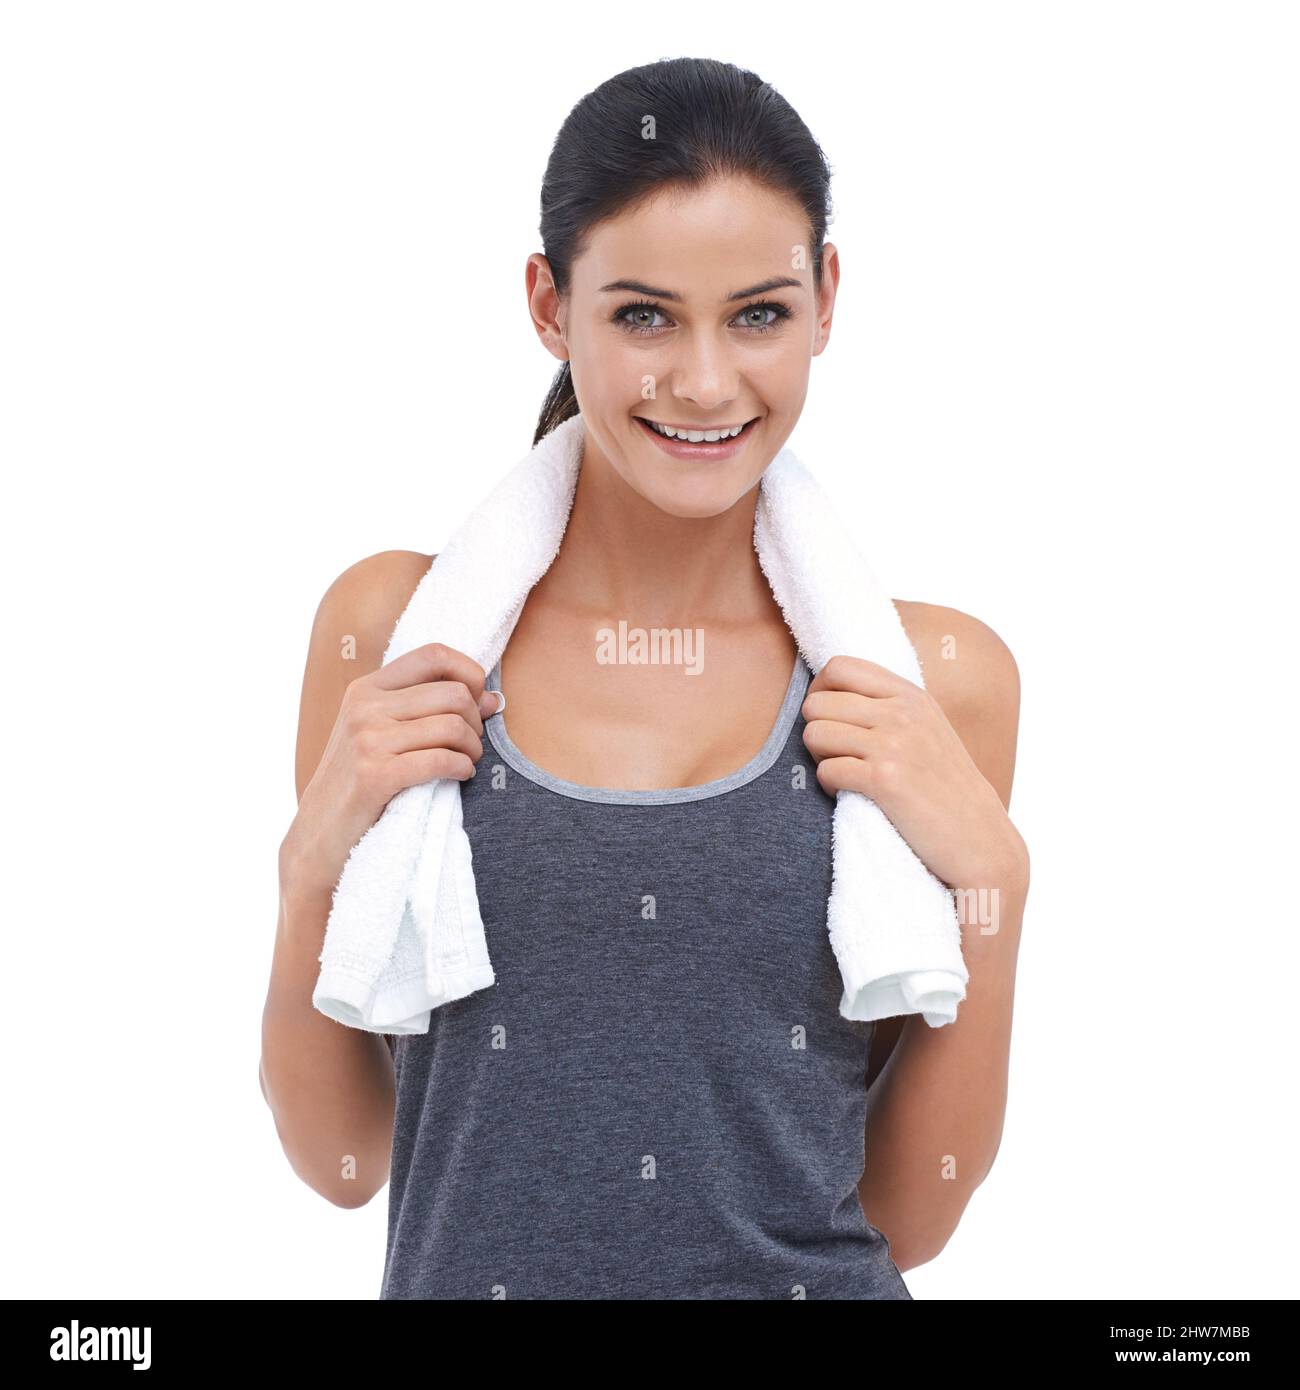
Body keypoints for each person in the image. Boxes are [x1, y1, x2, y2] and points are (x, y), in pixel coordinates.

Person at [260, 56, 1029, 1300]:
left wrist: (994, 886)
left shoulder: (932, 685)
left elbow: (904, 1216)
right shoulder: (399, 640)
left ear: (826, 299)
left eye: (759, 313)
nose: (707, 380)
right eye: (643, 314)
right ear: (549, 306)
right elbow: (340, 1160)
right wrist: (308, 869)